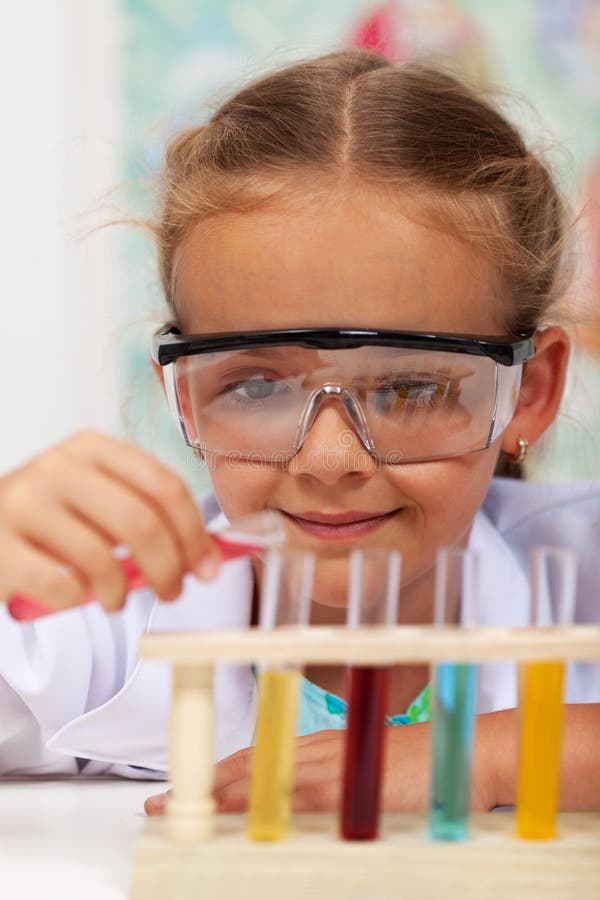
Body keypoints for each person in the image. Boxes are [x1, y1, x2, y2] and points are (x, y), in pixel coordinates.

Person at [0, 49, 598, 815]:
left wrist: (495, 754)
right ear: (183, 397)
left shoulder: (582, 567)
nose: (329, 459)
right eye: (254, 385)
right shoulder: (97, 614)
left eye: (413, 387)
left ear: (531, 389)